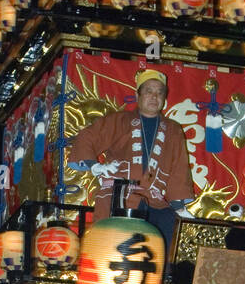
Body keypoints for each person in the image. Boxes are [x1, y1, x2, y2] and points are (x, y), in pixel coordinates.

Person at [67, 68, 194, 245]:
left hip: (154, 198)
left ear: (164, 100)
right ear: (138, 95)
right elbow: (88, 137)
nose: (154, 97)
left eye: (159, 93)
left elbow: (179, 168)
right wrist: (95, 166)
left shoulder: (173, 129)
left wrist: (179, 206)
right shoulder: (119, 120)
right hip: (120, 193)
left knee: (165, 236)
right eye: (148, 91)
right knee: (115, 245)